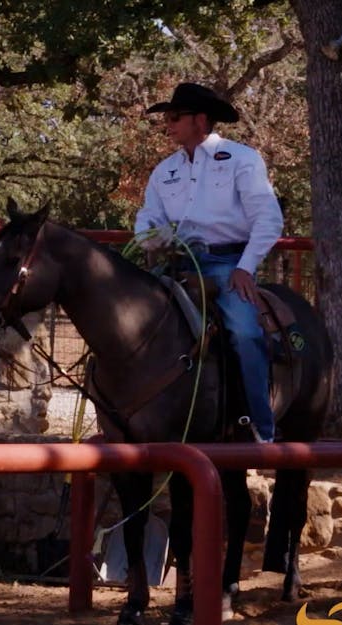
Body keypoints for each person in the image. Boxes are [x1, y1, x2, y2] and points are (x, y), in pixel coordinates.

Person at [133, 82, 284, 442]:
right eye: (166, 118)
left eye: (174, 117)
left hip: (227, 262)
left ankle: (261, 425)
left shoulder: (242, 159)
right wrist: (150, 238)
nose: (167, 124)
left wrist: (245, 268)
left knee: (245, 333)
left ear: (200, 120)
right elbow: (147, 218)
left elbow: (269, 219)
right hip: (177, 263)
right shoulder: (163, 171)